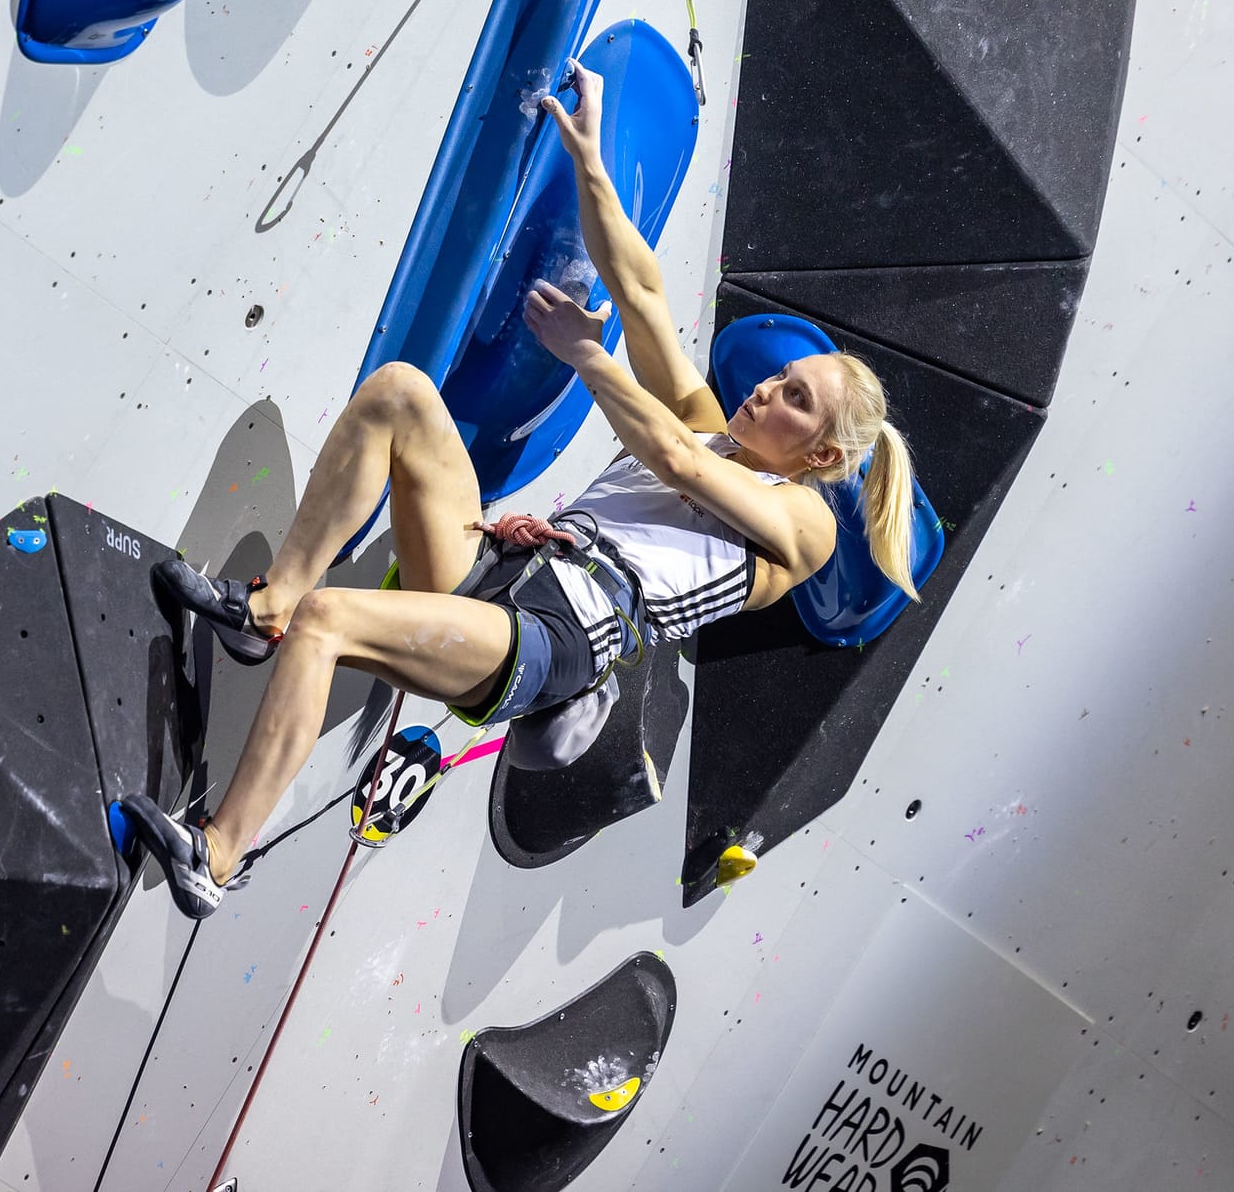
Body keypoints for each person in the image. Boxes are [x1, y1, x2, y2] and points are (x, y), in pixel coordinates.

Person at [119, 58, 921, 919]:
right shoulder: (706, 421)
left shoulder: (802, 527)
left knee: (332, 620)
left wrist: (587, 357)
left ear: (823, 456)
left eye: (796, 399)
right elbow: (640, 289)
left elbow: (679, 467)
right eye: (782, 377)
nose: (766, 390)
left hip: (557, 635)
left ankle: (215, 856)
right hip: (505, 571)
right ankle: (265, 609)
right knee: (400, 395)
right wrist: (591, 159)